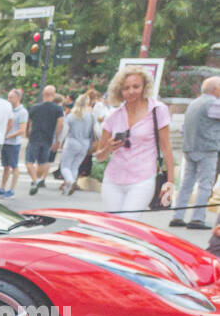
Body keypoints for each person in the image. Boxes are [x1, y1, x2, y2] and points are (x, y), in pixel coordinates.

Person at [93, 65, 174, 212]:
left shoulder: (158, 110)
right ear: (119, 91)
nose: (131, 92)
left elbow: (166, 147)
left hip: (143, 179)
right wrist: (108, 148)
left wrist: (170, 182)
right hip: (113, 180)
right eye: (126, 88)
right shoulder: (113, 116)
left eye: (136, 86)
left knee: (129, 222)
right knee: (114, 225)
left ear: (144, 87)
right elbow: (99, 156)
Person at [171, 76, 220, 229]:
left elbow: (183, 128)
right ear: (215, 89)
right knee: (205, 185)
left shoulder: (193, 103)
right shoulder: (214, 103)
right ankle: (197, 219)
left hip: (190, 147)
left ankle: (177, 216)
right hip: (207, 148)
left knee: (186, 184)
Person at [24, 84, 65, 193]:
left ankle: (34, 180)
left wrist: (27, 132)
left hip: (34, 137)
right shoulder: (58, 109)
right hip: (47, 139)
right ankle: (37, 180)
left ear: (43, 94)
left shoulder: (35, 107)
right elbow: (60, 124)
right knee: (42, 162)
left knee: (29, 162)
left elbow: (28, 122)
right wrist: (56, 139)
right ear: (54, 95)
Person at [58, 93, 95, 195]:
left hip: (72, 142)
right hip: (85, 144)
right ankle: (68, 188)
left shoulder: (71, 116)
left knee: (65, 167)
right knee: (75, 167)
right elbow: (97, 131)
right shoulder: (91, 117)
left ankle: (71, 182)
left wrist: (59, 141)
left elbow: (65, 131)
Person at [0, 88, 27, 197]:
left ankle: (12, 190)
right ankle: (2, 187)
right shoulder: (8, 110)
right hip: (5, 141)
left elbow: (22, 129)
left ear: (18, 98)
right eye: (8, 97)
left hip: (13, 143)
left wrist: (9, 135)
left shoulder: (22, 112)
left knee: (14, 166)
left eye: (11, 97)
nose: (9, 99)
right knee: (5, 166)